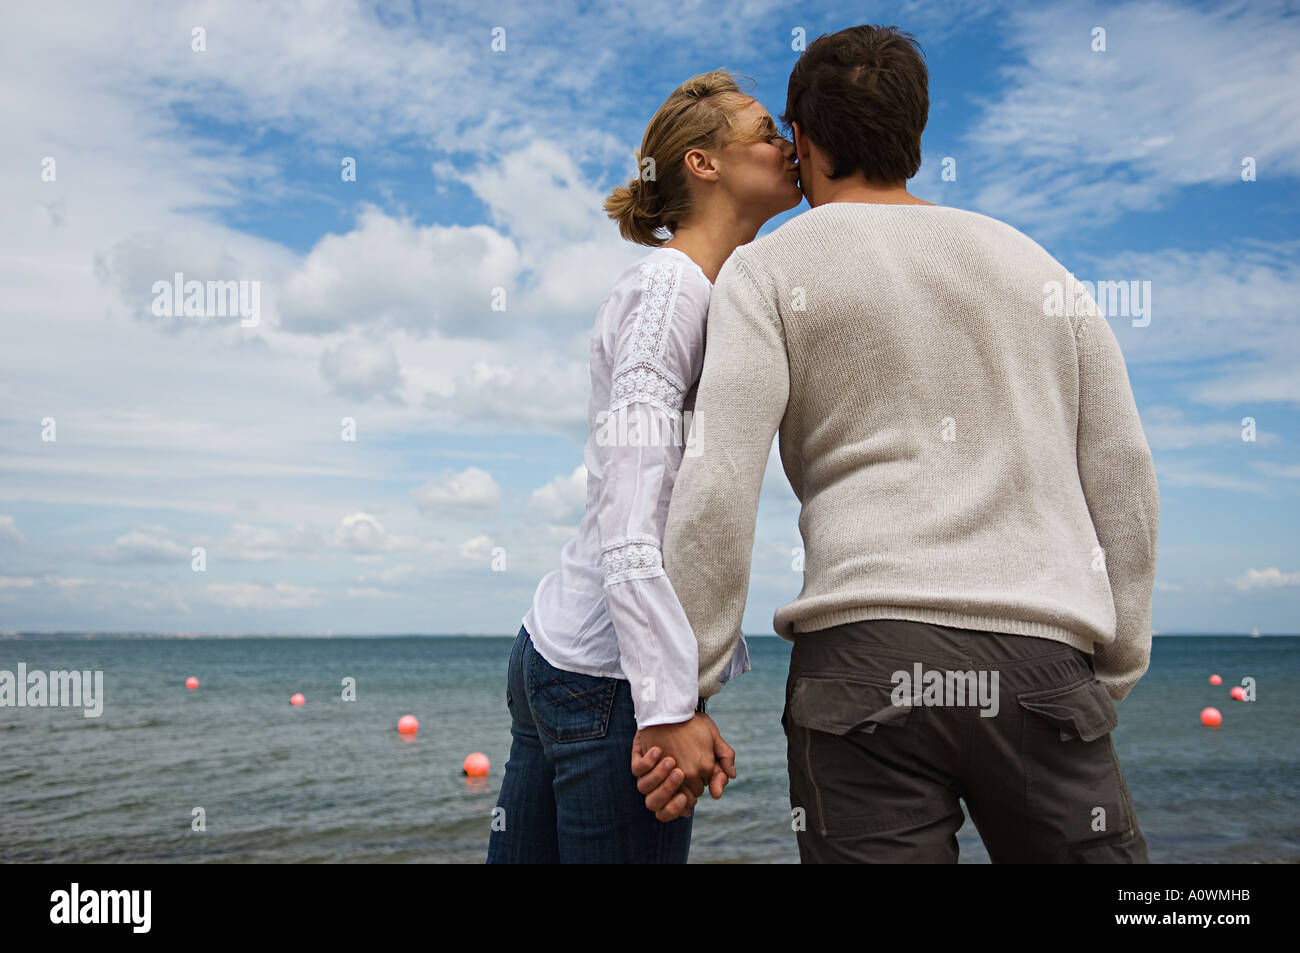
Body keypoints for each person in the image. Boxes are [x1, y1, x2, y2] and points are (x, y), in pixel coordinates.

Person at [635, 25, 1160, 863]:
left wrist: (688, 684)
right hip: (1042, 660)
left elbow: (720, 480)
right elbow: (1124, 476)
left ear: (801, 142)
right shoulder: (1041, 269)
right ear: (915, 139)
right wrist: (1114, 661)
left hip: (861, 664)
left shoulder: (769, 271)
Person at [486, 69, 804, 863]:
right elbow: (635, 504)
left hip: (572, 658)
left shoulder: (706, 292)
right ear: (704, 163)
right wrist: (667, 705)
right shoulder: (673, 293)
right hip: (610, 681)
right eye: (767, 131)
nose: (788, 145)